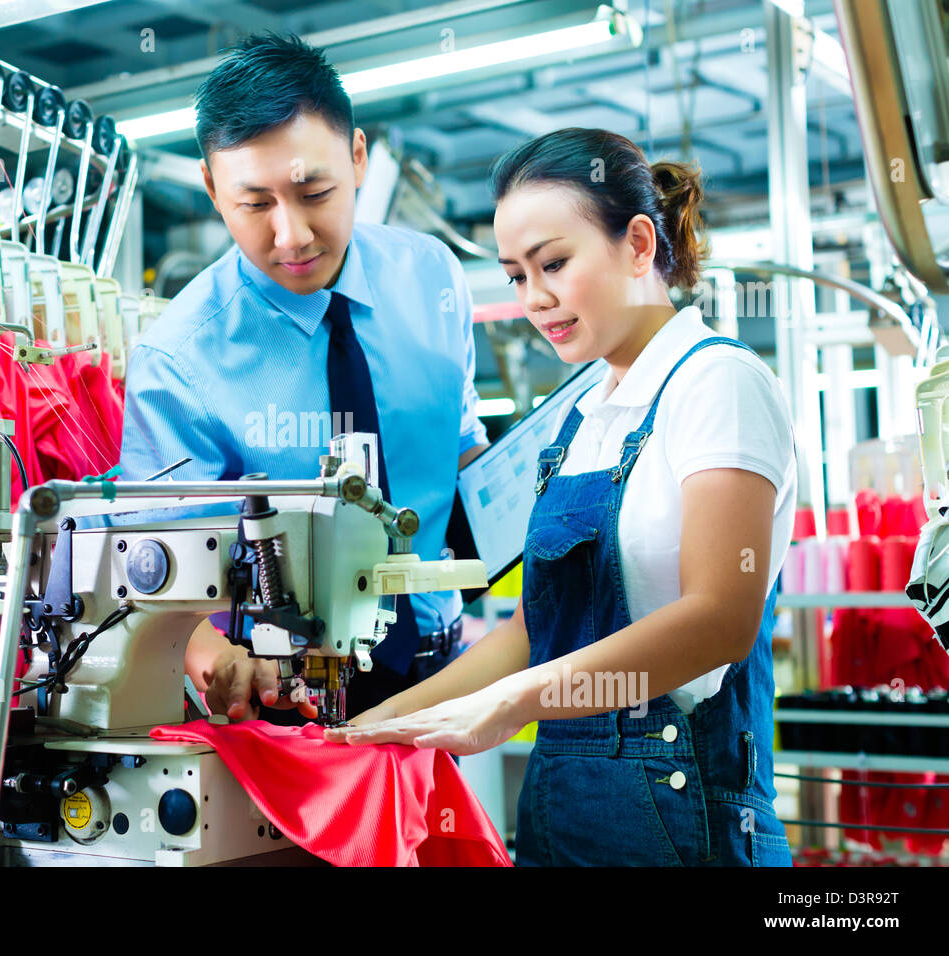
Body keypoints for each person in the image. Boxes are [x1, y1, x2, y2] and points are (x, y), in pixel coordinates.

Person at [326, 127, 798, 868]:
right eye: (516, 275)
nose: (534, 299)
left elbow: (718, 622)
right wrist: (386, 719)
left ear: (639, 244)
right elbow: (532, 631)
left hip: (686, 820)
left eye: (554, 263)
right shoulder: (582, 421)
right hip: (562, 819)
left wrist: (515, 704)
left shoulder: (719, 385)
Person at [119, 33, 489, 724]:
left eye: (314, 191)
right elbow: (154, 572)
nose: (290, 235)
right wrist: (214, 660)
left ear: (357, 158)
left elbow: (461, 450)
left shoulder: (433, 277)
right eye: (254, 204)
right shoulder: (179, 359)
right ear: (210, 188)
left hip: (441, 672)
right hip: (284, 696)